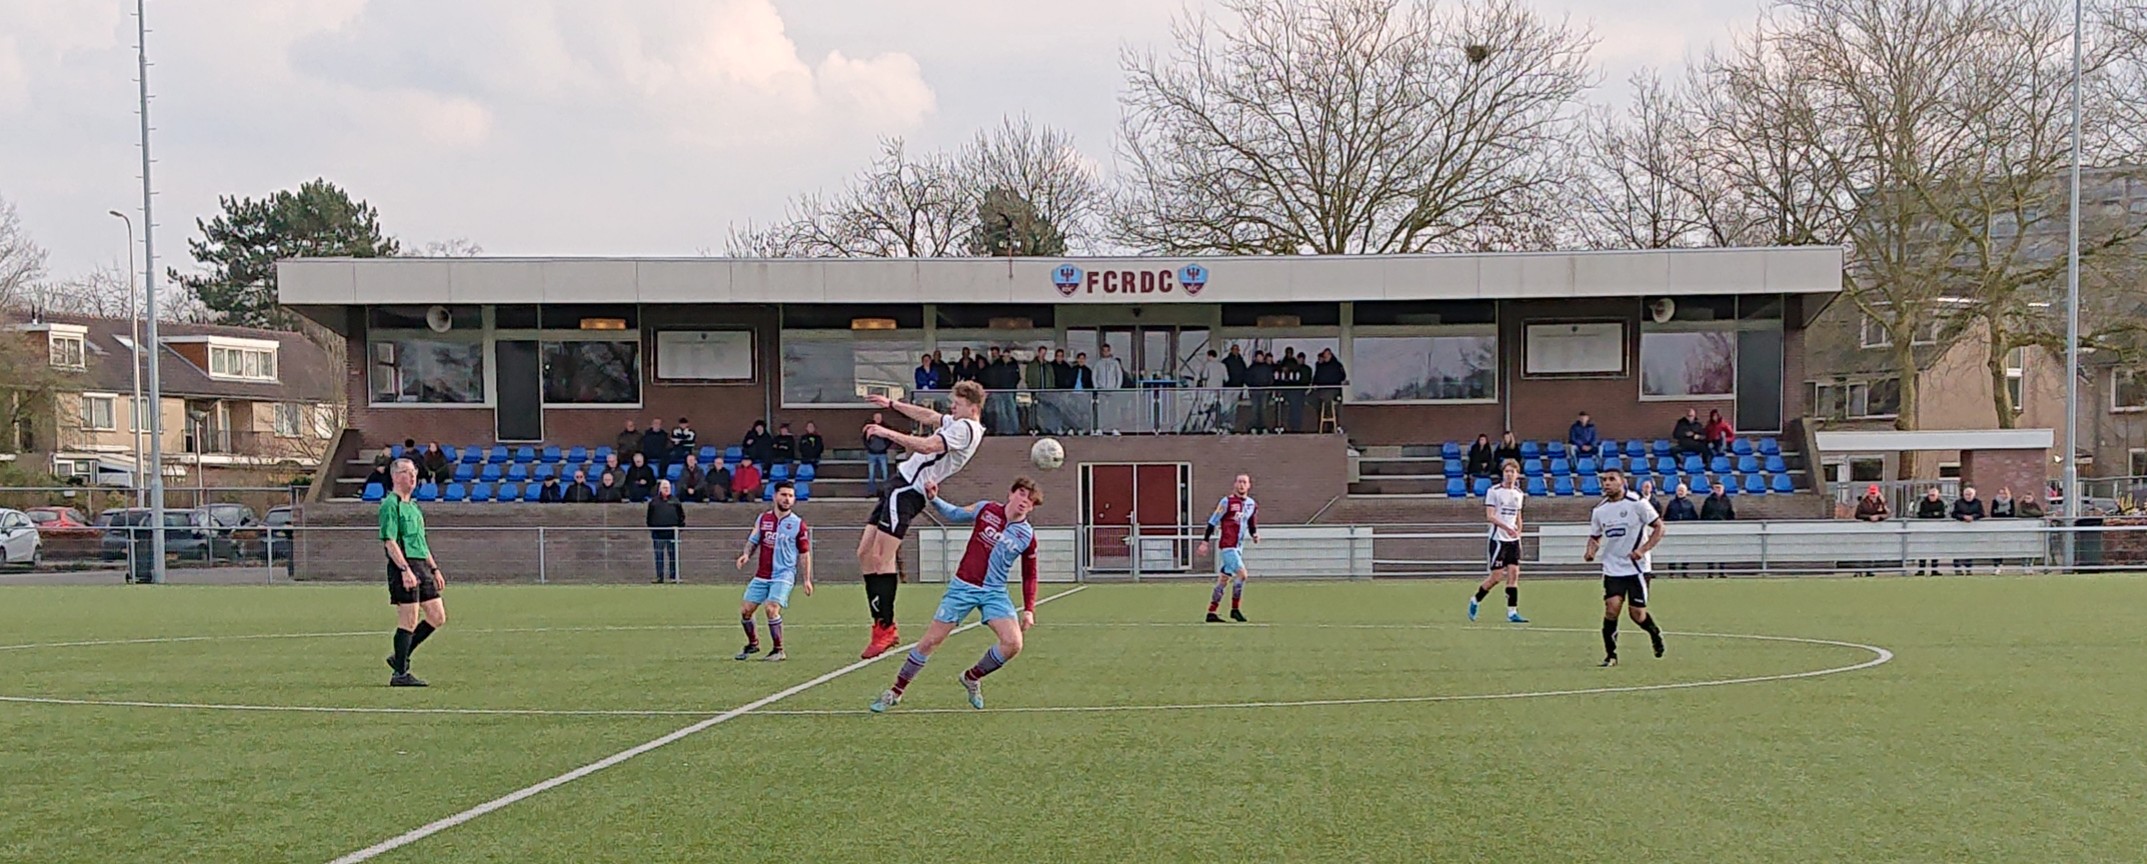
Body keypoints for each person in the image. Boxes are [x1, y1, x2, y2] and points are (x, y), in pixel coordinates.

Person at [870, 476, 1042, 713]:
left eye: (1030, 500)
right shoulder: (986, 509)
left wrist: (1029, 609)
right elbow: (955, 514)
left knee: (1013, 644)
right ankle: (895, 691)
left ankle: (972, 677)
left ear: (1032, 507)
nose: (1024, 501)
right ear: (1011, 494)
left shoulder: (1027, 536)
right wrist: (934, 499)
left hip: (994, 593)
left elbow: (1030, 574)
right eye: (1022, 493)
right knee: (931, 641)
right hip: (963, 587)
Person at [856, 380, 989, 659]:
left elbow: (928, 446)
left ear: (974, 408)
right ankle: (881, 625)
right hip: (900, 483)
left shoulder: (967, 429)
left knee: (881, 557)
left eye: (958, 404)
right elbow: (928, 417)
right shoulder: (957, 421)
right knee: (866, 553)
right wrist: (892, 404)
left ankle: (886, 628)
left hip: (908, 490)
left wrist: (886, 432)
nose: (952, 407)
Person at [1585, 470, 1667, 667]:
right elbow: (1595, 536)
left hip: (1637, 568)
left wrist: (1643, 550)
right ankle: (1611, 656)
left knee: (1636, 614)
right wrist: (1590, 551)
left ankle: (1654, 633)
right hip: (1613, 568)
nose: (1606, 483)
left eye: (1611, 479)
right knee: (1612, 609)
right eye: (1604, 480)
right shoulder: (1599, 511)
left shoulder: (1637, 503)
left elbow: (1659, 528)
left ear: (1622, 482)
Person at [379, 458, 447, 687]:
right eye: (408, 472)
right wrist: (404, 569)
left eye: (414, 472)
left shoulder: (414, 507)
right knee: (409, 618)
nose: (413, 476)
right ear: (396, 476)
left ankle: (399, 656)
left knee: (437, 616)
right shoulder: (391, 504)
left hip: (421, 564)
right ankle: (400, 673)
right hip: (404, 565)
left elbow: (421, 541)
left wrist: (434, 568)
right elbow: (390, 541)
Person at [734, 480, 813, 661]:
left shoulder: (798, 524)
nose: (787, 499)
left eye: (790, 496)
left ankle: (779, 650)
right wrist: (746, 554)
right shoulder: (763, 519)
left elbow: (804, 553)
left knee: (771, 608)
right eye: (784, 495)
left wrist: (807, 579)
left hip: (783, 574)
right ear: (775, 496)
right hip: (762, 574)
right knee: (746, 611)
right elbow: (754, 540)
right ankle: (753, 644)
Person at [1197, 473, 1261, 623]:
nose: (1241, 485)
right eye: (1239, 482)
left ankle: (1211, 612)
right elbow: (1213, 522)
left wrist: (1254, 534)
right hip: (1228, 546)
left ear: (1249, 485)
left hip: (1239, 547)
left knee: (1223, 580)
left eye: (1244, 482)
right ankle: (1235, 609)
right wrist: (1205, 541)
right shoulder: (1227, 502)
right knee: (1242, 575)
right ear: (1235, 484)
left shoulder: (1252, 504)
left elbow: (1251, 523)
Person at [1469, 460, 1527, 623]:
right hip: (1498, 539)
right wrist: (1506, 528)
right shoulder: (1493, 491)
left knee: (1514, 573)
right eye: (1507, 471)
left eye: (1512, 471)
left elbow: (1518, 516)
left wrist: (1518, 533)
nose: (1509, 474)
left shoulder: (1518, 493)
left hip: (1513, 540)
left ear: (1517, 474)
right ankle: (1475, 599)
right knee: (1496, 577)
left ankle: (1512, 612)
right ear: (1503, 473)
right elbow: (1490, 516)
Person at [646, 479, 685, 584]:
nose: (666, 489)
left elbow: (681, 517)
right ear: (660, 489)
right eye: (664, 487)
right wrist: (653, 528)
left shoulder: (676, 501)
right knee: (659, 556)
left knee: (673, 556)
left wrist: (679, 528)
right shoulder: (654, 503)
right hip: (658, 534)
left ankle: (674, 577)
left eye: (668, 488)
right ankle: (660, 577)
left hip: (672, 534)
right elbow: (649, 518)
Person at [1852, 484, 1890, 577]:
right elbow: (1857, 515)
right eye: (1871, 493)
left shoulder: (1880, 503)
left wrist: (1879, 517)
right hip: (1864, 529)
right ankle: (1860, 570)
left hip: (1876, 530)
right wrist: (1869, 517)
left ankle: (1870, 570)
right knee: (1863, 550)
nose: (1873, 495)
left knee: (1872, 549)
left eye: (1874, 493)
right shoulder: (1863, 503)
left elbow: (1887, 514)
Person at [1699, 481, 1736, 577]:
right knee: (1710, 549)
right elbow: (1703, 514)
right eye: (1716, 488)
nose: (1717, 490)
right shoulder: (1708, 500)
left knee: (1722, 549)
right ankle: (1710, 571)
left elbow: (1731, 514)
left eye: (1719, 487)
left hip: (1723, 528)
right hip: (1710, 528)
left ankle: (1722, 571)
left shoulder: (1727, 501)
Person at [1662, 483, 1699, 575]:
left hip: (1686, 531)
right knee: (1672, 551)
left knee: (1685, 551)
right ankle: (1672, 571)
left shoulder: (1689, 504)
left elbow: (1694, 517)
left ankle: (1684, 571)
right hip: (1673, 531)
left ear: (1686, 492)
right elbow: (1667, 516)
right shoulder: (1671, 503)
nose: (1680, 492)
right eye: (1679, 490)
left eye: (1682, 490)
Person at [1950, 486, 1985, 575]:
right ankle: (1957, 568)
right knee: (1957, 548)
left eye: (1970, 494)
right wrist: (1963, 517)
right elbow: (1954, 514)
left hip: (1972, 529)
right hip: (1959, 529)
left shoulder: (1978, 503)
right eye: (1966, 494)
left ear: (1974, 495)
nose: (1968, 496)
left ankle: (1968, 568)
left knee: (1970, 549)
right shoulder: (1958, 502)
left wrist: (1973, 517)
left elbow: (1982, 514)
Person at [1914, 487, 1948, 575]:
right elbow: (1921, 514)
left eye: (1933, 495)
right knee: (1923, 550)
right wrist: (1933, 514)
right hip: (1924, 530)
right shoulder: (1923, 503)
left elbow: (1942, 514)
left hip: (1936, 529)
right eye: (1930, 495)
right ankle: (1921, 570)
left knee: (1935, 550)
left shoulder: (1940, 503)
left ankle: (1934, 570)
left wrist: (1931, 515)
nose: (1931, 497)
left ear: (1937, 495)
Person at [863, 412, 892, 496]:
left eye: (879, 417)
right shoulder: (870, 427)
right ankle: (871, 492)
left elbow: (890, 437)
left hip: (882, 453)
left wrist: (885, 446)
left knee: (885, 474)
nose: (878, 419)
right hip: (872, 454)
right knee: (871, 474)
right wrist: (869, 447)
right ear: (874, 418)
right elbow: (865, 438)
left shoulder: (885, 427)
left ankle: (886, 492)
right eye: (877, 417)